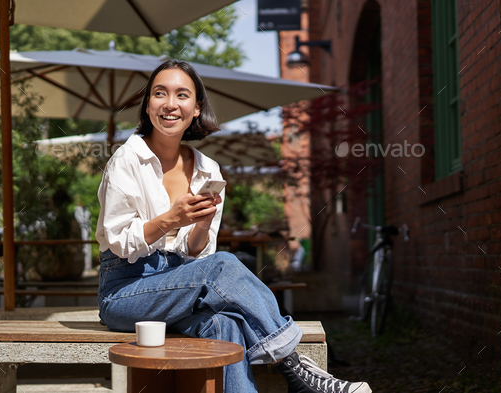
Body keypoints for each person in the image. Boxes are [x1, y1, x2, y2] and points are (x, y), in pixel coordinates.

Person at [95, 59, 371, 393]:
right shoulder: (128, 159)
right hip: (125, 292)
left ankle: (292, 374)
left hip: (179, 286)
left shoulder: (207, 168)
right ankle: (294, 369)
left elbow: (197, 254)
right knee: (225, 264)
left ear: (196, 108)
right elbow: (117, 241)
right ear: (148, 104)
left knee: (224, 323)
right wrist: (172, 219)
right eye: (159, 94)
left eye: (182, 95)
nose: (170, 104)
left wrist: (200, 224)